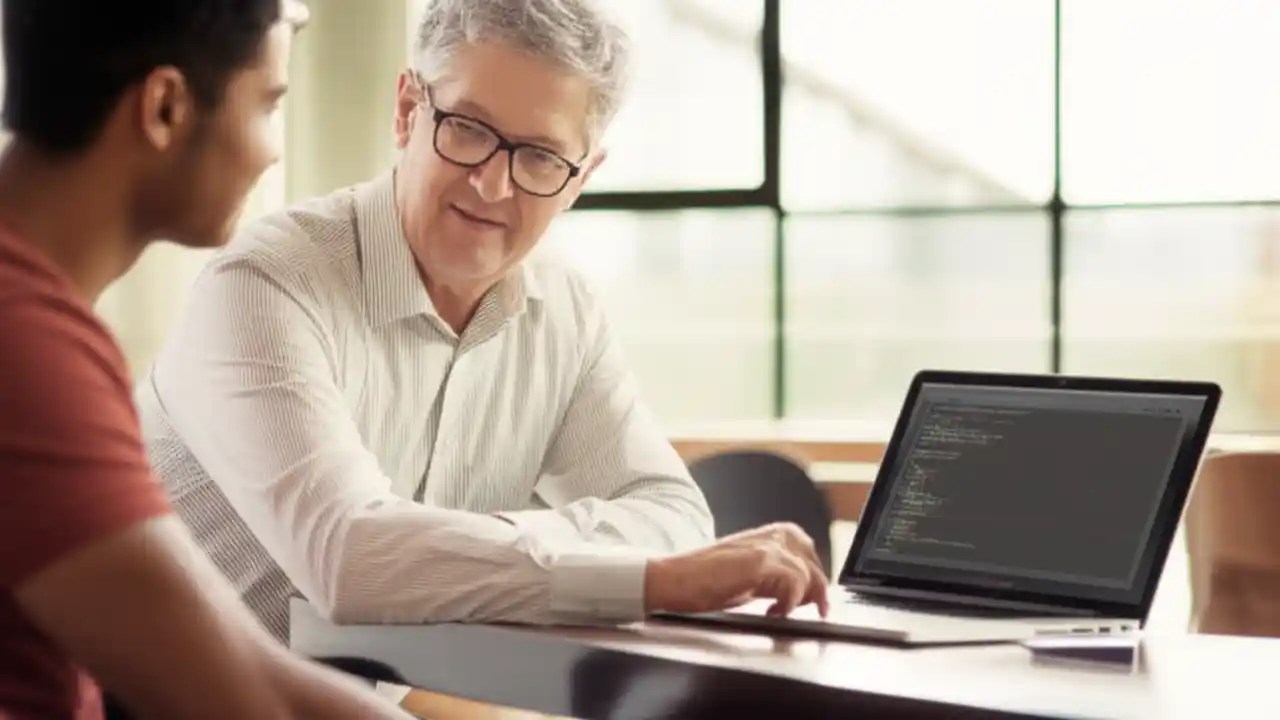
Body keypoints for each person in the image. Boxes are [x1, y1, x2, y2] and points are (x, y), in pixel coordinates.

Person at [135, 0, 830, 647]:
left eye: (539, 157)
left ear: (580, 179)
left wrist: (439, 546)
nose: (493, 185)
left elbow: (672, 514)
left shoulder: (565, 312)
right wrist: (646, 580)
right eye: (468, 129)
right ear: (408, 111)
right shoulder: (267, 283)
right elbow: (346, 556)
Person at [0, 1, 409, 718]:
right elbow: (243, 701)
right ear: (164, 107)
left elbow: (248, 669)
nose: (272, 150)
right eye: (268, 104)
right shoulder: (24, 346)